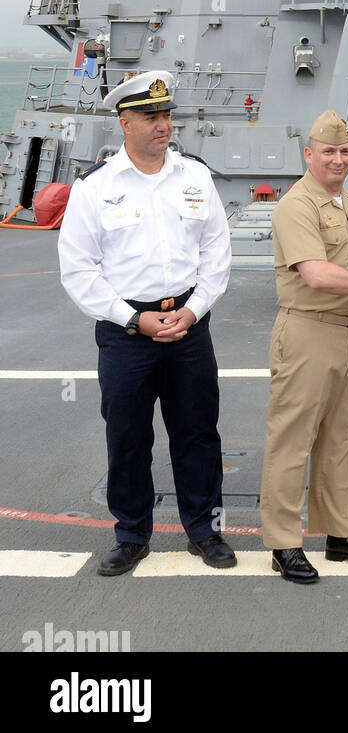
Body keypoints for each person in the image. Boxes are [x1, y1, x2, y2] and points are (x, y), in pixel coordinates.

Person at [58, 70, 236, 575]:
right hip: (126, 334)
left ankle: (204, 530)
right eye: (151, 116)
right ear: (125, 122)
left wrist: (192, 311)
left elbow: (215, 251)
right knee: (128, 437)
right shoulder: (95, 188)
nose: (163, 125)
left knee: (198, 433)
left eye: (166, 115)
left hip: (189, 326)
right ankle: (132, 534)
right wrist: (135, 319)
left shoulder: (194, 176)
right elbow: (78, 269)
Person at [261, 110, 348, 584]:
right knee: (293, 441)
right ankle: (284, 543)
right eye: (328, 151)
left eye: (344, 151)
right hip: (308, 333)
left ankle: (341, 533)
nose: (337, 159)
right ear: (309, 154)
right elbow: (318, 275)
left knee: (345, 438)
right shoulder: (296, 206)